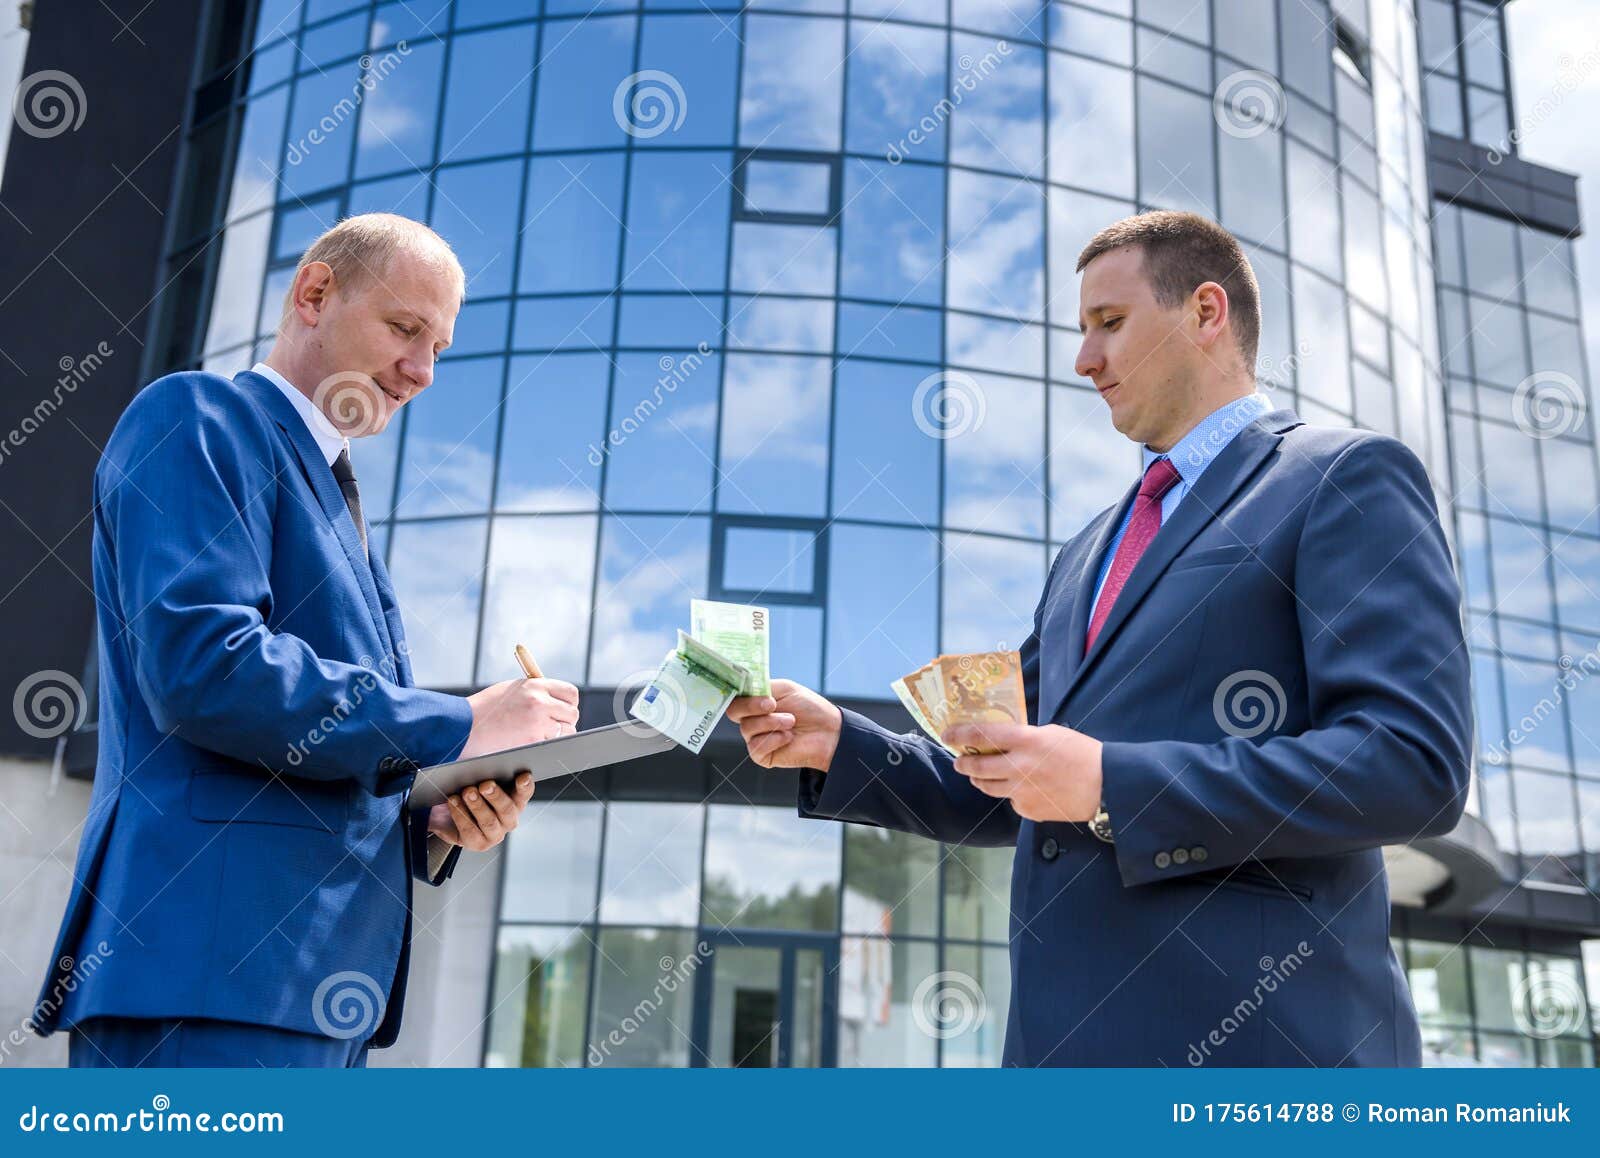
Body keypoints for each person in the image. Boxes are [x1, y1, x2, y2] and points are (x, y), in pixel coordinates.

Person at [728, 210, 1472, 1067]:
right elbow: (1007, 776)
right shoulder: (1087, 550)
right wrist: (838, 743)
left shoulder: (1343, 477)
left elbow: (1410, 763)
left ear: (1205, 312)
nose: (1084, 360)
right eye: (1082, 330)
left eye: (1109, 323)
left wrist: (1113, 784)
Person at [33, 214, 579, 1067]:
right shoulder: (197, 417)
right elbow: (206, 666)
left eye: (439, 346)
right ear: (316, 293)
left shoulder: (343, 510)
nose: (423, 371)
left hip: (319, 997)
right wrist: (463, 724)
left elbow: (312, 753)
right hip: (208, 974)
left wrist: (433, 816)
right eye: (404, 328)